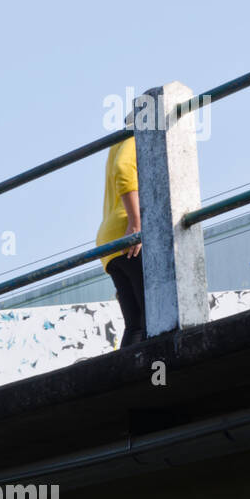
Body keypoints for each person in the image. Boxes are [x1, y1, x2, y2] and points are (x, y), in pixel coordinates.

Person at [95, 135, 145, 347]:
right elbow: (123, 169)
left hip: (111, 239)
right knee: (152, 312)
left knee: (136, 323)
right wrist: (135, 223)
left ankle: (128, 376)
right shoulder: (136, 136)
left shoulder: (119, 141)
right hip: (126, 231)